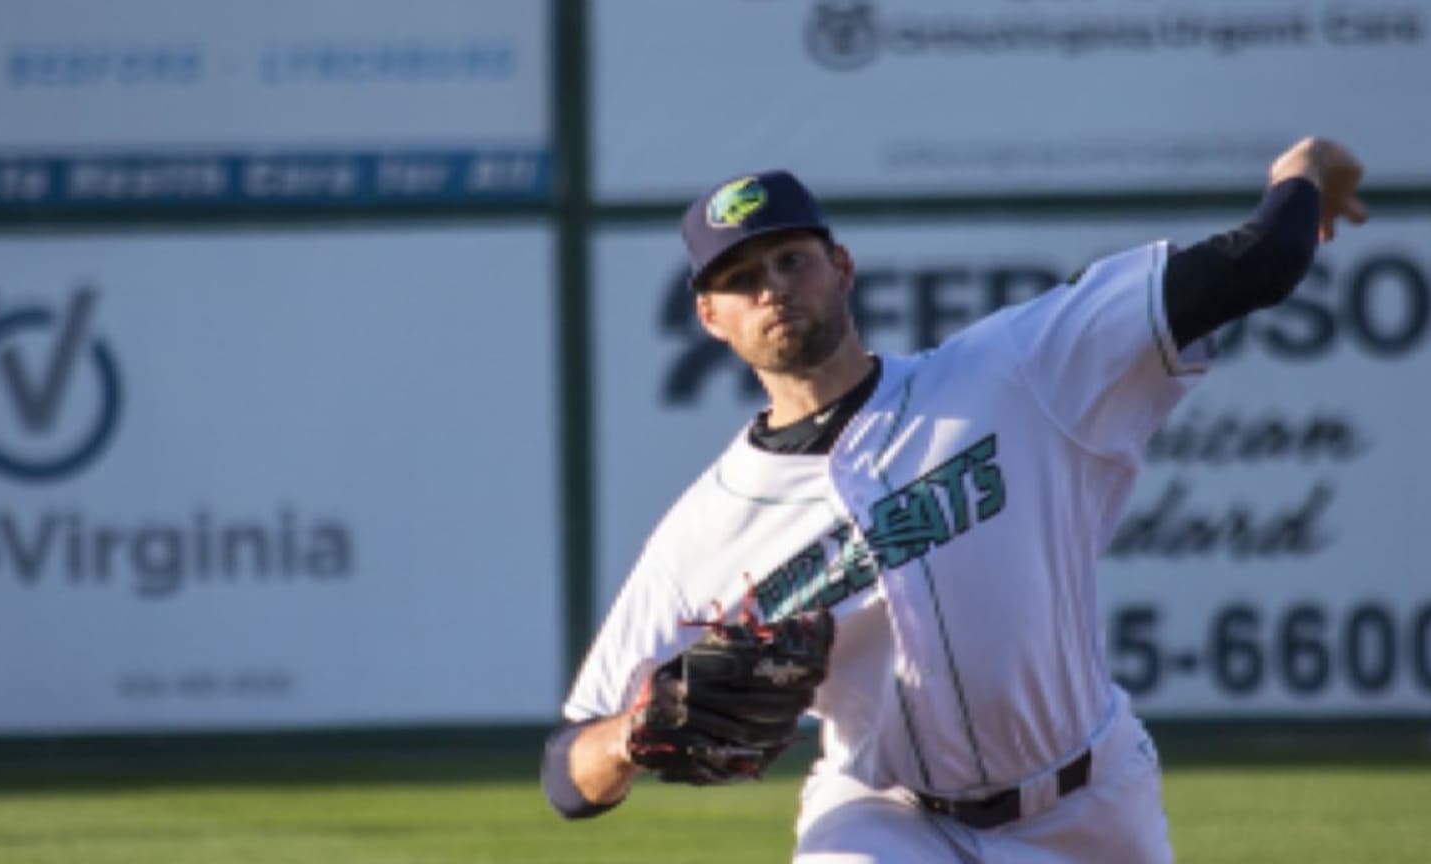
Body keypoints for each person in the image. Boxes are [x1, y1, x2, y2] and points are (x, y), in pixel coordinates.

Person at [542, 137, 1367, 862]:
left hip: (1092, 804)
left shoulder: (1012, 372)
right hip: (885, 818)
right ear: (710, 317)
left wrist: (1302, 170)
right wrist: (627, 739)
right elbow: (566, 776)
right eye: (741, 278)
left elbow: (1257, 261)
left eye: (790, 259)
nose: (771, 289)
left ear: (842, 266)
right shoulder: (706, 529)